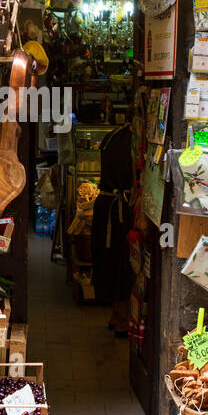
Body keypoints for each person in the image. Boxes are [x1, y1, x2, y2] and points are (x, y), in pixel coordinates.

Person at [90, 123, 134, 335]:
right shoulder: (130, 139)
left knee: (106, 259)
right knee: (121, 262)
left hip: (104, 204)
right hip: (118, 210)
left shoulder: (112, 136)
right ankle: (122, 318)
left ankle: (115, 314)